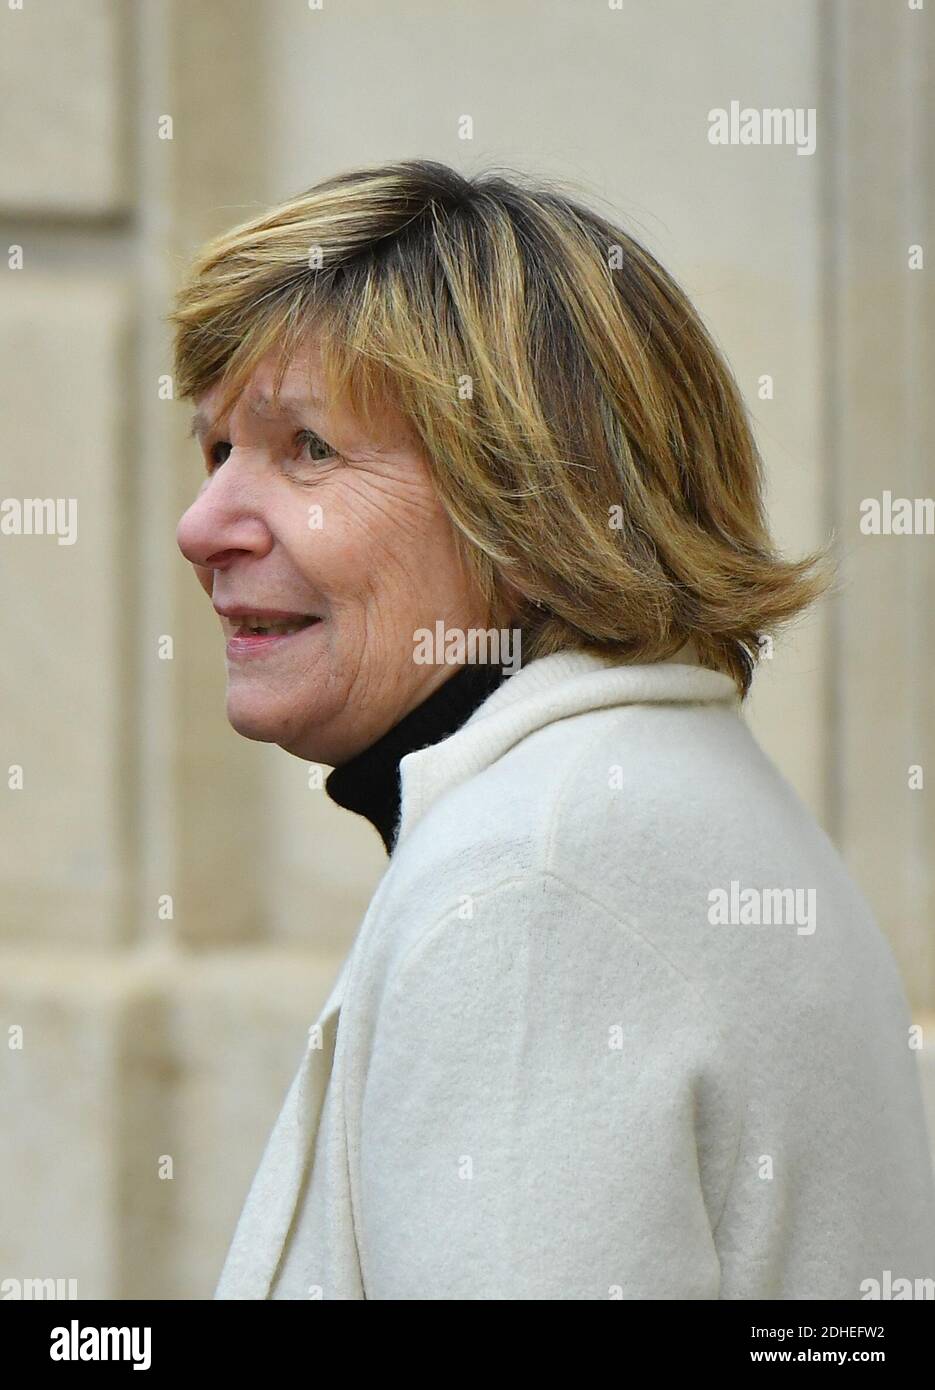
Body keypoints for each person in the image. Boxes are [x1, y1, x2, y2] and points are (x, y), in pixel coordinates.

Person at [171, 159, 935, 1299]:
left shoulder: (528, 883)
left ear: (530, 507)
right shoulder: (641, 794)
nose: (202, 524)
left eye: (308, 450)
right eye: (218, 450)